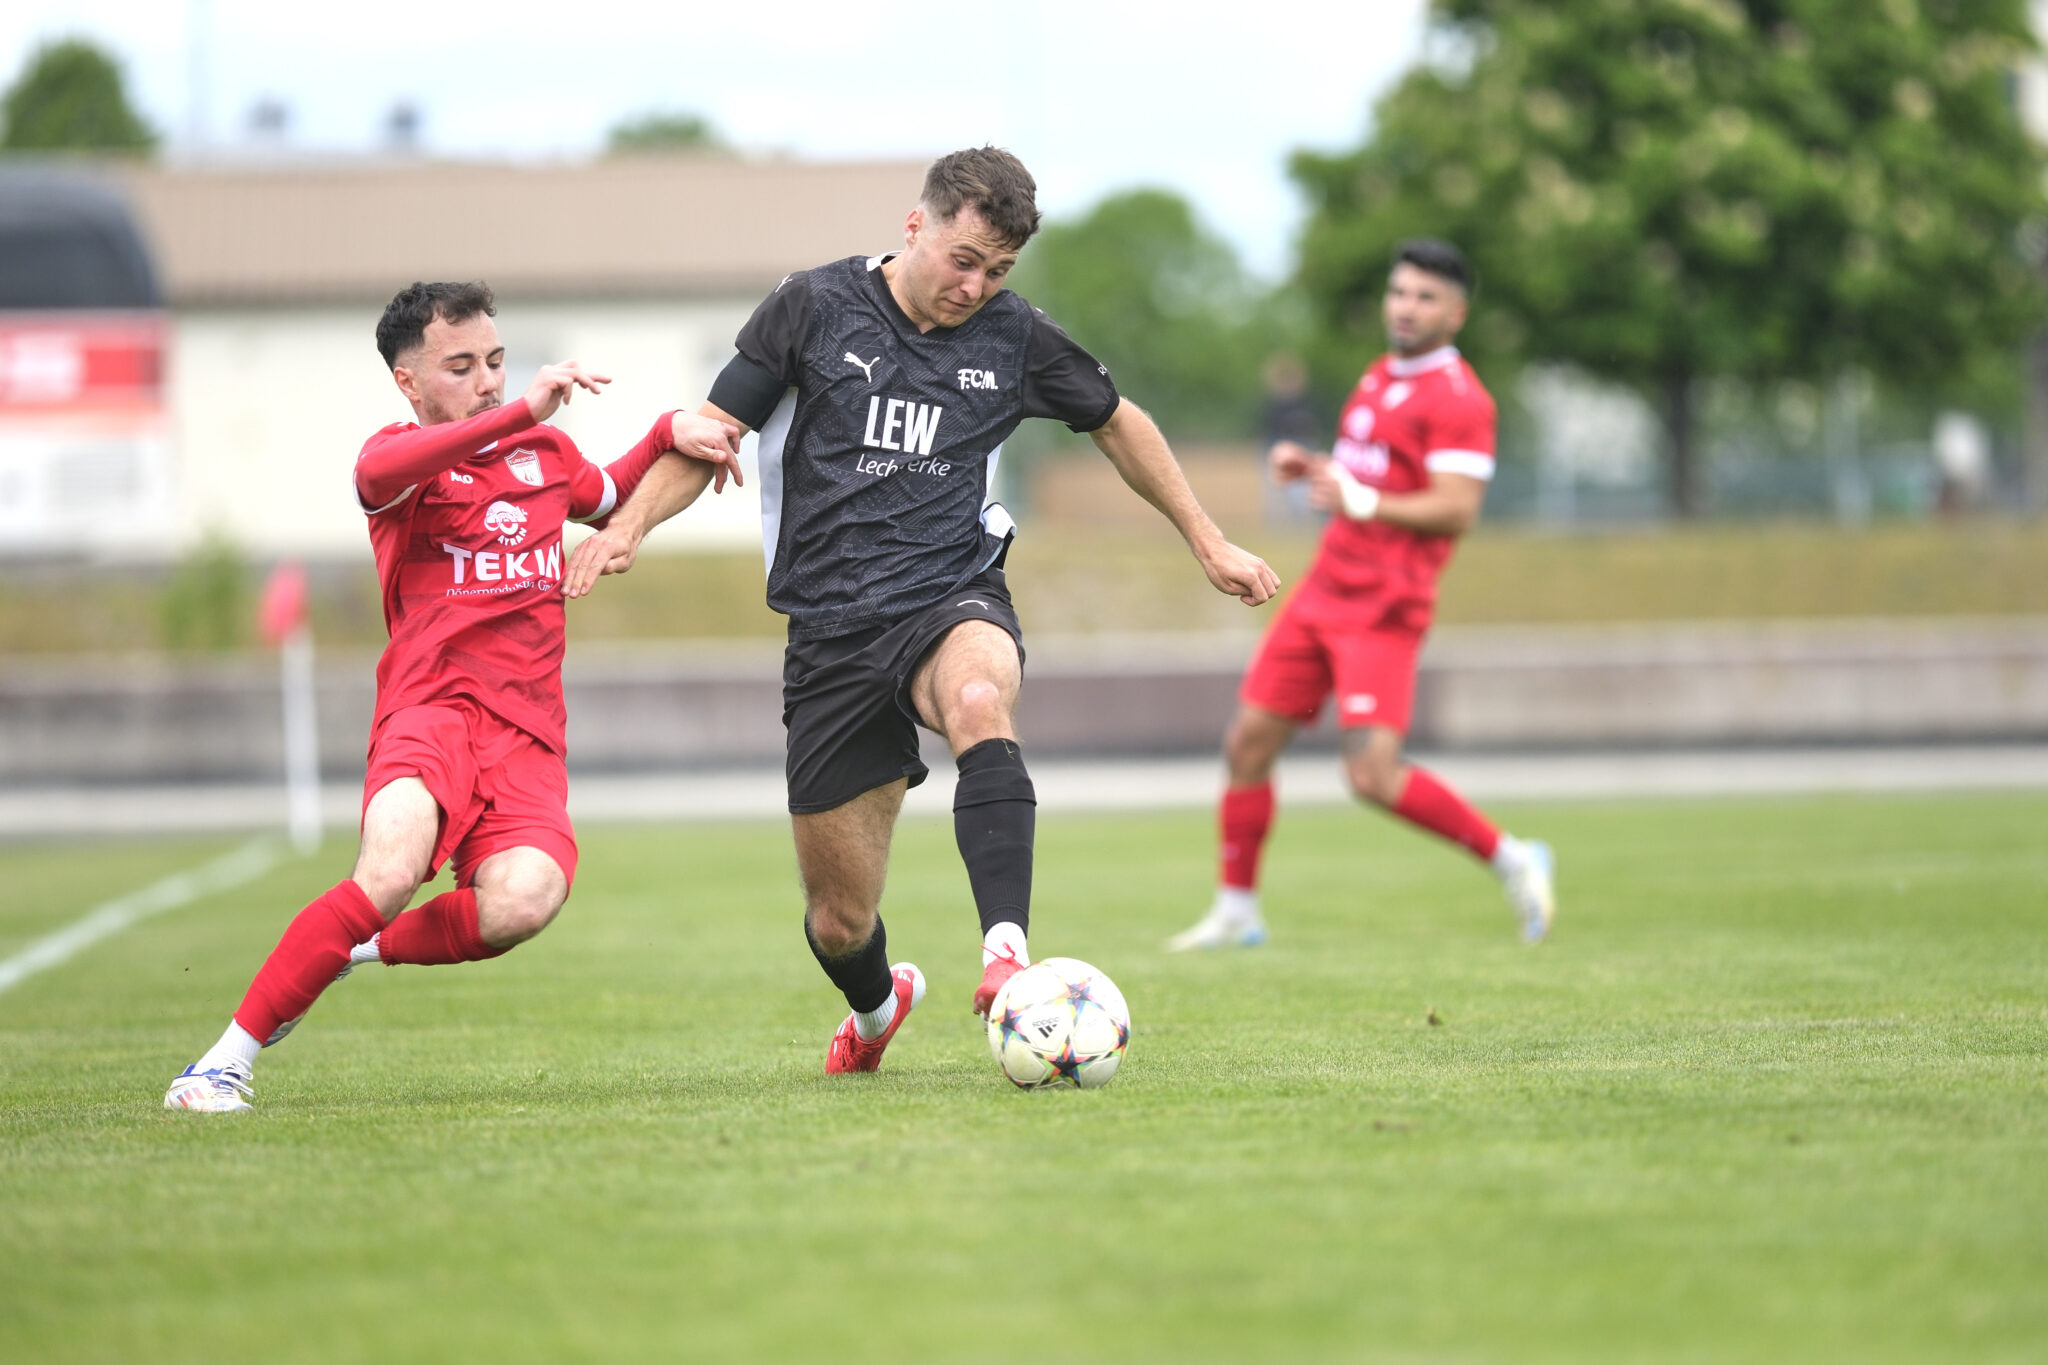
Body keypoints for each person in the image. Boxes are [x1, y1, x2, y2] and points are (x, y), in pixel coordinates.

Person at [565, 147, 1278, 1073]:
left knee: (981, 699)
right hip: (830, 628)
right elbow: (713, 435)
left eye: (1000, 271)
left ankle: (1007, 953)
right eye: (965, 260)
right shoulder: (812, 307)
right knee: (837, 919)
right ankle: (875, 1006)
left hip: (952, 589)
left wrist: (1208, 540)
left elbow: (1118, 421)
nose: (977, 287)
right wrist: (628, 528)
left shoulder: (1013, 336)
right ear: (917, 226)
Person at [164, 280, 740, 1111]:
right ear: (408, 381)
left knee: (524, 899)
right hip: (429, 714)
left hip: (527, 735)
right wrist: (518, 414)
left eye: (498, 362)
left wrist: (666, 429)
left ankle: (342, 955)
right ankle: (219, 1064)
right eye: (463, 366)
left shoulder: (542, 459)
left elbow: (614, 493)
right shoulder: (397, 463)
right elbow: (382, 470)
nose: (490, 381)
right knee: (389, 869)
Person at [1167, 240, 1555, 952]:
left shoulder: (1462, 399)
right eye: (1400, 292)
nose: (1407, 307)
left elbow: (1456, 507)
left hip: (1386, 606)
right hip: (1325, 589)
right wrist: (1311, 467)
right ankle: (1237, 910)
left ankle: (1513, 856)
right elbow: (1361, 477)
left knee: (1371, 775)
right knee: (1248, 742)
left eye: (1426, 297)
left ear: (1457, 312)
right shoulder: (1380, 376)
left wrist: (1364, 499)